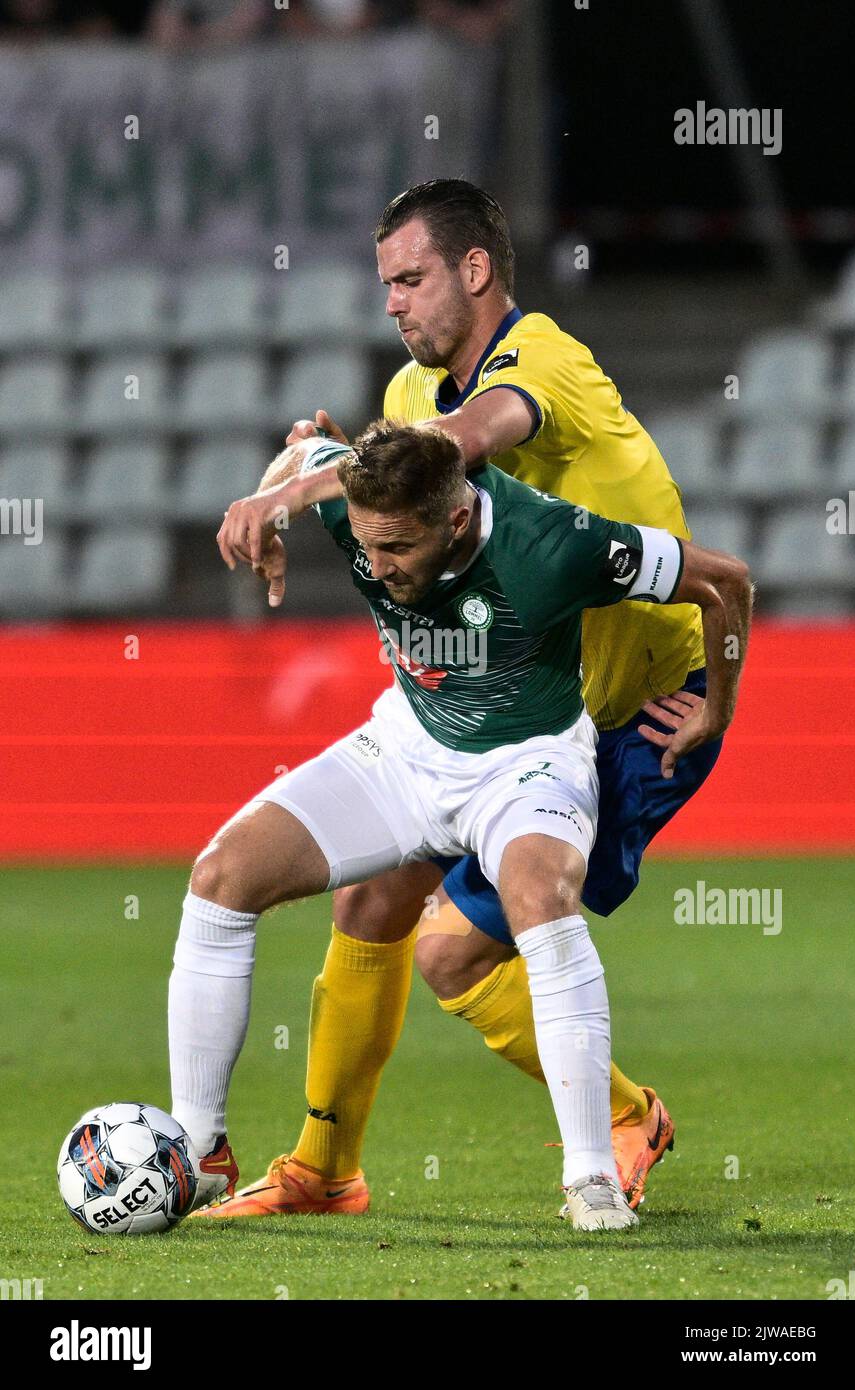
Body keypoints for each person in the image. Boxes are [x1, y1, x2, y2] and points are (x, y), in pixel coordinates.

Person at [204, 179, 729, 1221]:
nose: (391, 303)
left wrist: (290, 487)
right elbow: (397, 472)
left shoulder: (543, 360)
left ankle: (627, 1118)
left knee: (450, 953)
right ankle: (323, 1170)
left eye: (409, 279)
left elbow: (459, 446)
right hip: (502, 705)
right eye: (384, 284)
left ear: (475, 270)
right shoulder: (408, 391)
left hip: (629, 714)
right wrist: (316, 460)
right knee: (370, 899)